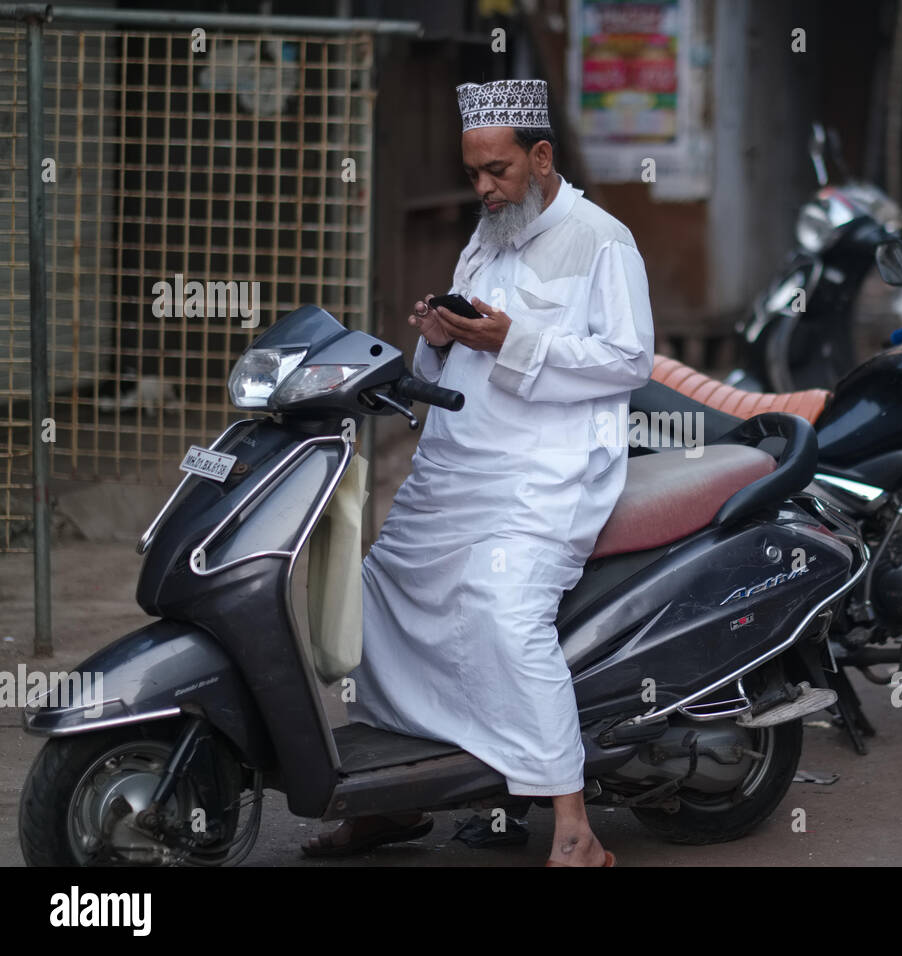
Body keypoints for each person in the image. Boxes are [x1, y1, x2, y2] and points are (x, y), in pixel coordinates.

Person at [302, 79, 655, 866]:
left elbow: (631, 358)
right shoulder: (487, 235)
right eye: (473, 174)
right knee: (380, 598)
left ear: (539, 157)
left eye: (496, 171)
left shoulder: (604, 240)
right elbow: (461, 355)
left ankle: (572, 821)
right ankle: (399, 804)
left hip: (548, 470)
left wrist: (512, 341)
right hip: (462, 463)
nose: (485, 189)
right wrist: (437, 333)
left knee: (505, 611)